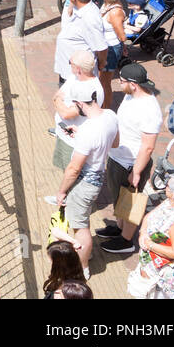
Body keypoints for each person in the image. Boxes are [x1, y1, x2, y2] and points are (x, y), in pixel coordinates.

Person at [98, 64, 163, 256]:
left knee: (132, 202)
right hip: (118, 158)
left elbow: (148, 146)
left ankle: (127, 241)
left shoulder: (150, 110)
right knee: (119, 198)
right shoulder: (130, 95)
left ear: (134, 84)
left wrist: (136, 171)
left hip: (131, 163)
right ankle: (119, 228)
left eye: (123, 81)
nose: (119, 83)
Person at [55, 91, 119, 275]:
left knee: (80, 227)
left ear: (80, 104)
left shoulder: (89, 131)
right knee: (83, 218)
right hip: (98, 177)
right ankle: (85, 252)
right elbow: (114, 143)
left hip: (85, 184)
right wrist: (82, 136)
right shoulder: (110, 116)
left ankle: (82, 267)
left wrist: (61, 191)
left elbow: (73, 169)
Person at [135, 172, 174, 298]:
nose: (165, 187)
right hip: (151, 264)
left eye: (168, 186)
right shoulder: (170, 203)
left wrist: (149, 244)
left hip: (163, 275)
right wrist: (143, 233)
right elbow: (149, 216)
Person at [52, 51, 104, 169]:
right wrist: (59, 102)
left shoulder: (91, 90)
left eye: (70, 63)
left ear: (78, 68)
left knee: (70, 172)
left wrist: (57, 101)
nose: (69, 64)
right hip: (63, 135)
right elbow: (58, 96)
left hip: (73, 143)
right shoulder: (75, 77)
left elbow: (66, 113)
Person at [53, 0, 108, 87]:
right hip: (68, 70)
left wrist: (101, 64)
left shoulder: (90, 17)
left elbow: (101, 47)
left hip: (78, 76)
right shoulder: (79, 8)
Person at [97, 0, 128, 105]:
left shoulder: (115, 11)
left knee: (104, 83)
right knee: (100, 81)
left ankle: (105, 110)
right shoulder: (107, 4)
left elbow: (121, 35)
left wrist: (124, 46)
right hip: (104, 47)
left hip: (110, 49)